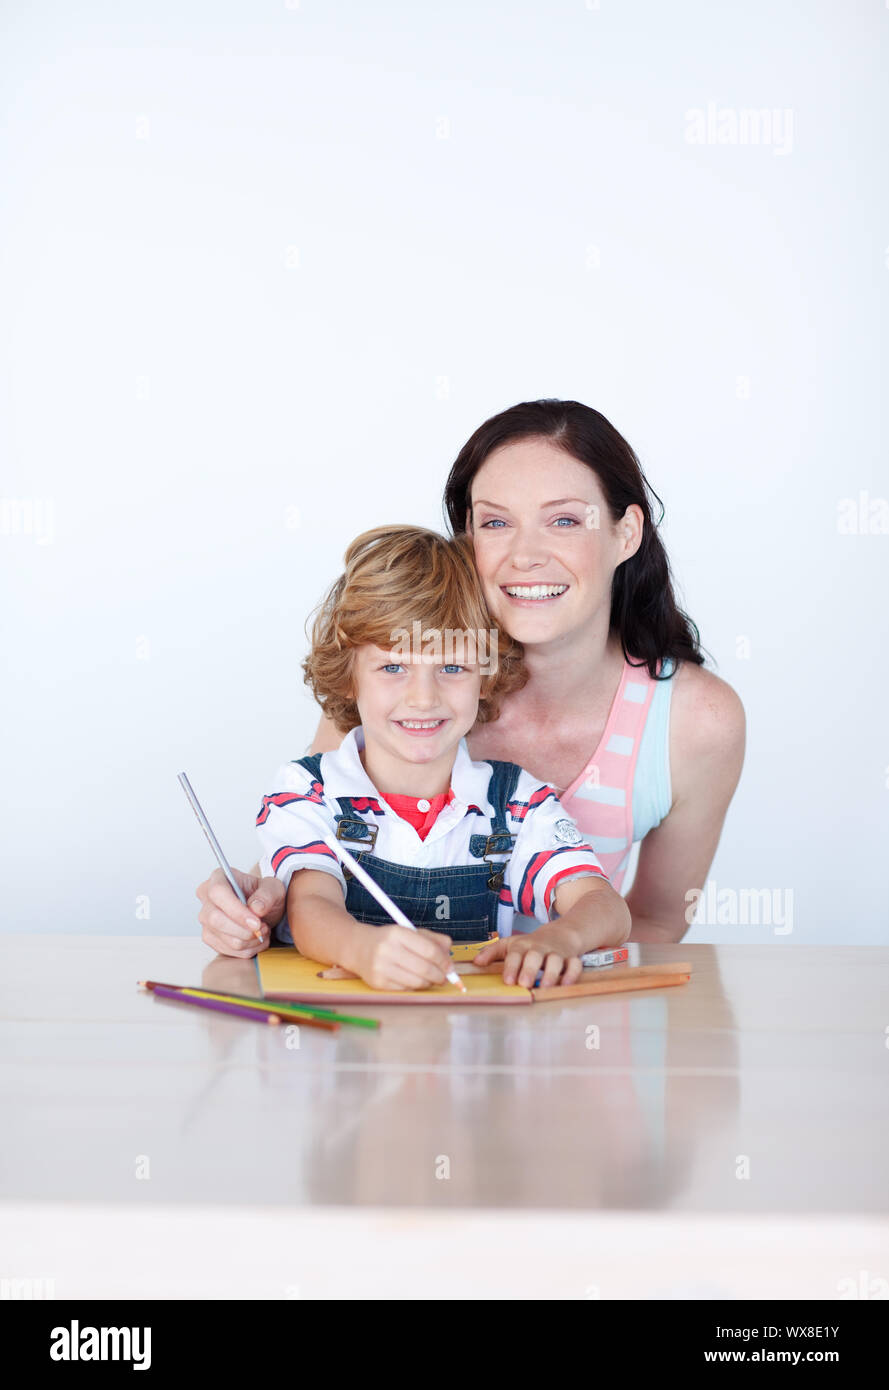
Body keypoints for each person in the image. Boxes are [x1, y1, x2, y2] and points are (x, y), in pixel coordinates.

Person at [198, 399, 744, 956]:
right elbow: (303, 878)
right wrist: (249, 910)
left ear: (626, 533)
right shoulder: (394, 698)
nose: (526, 555)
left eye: (563, 520)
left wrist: (544, 989)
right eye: (496, 522)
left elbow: (653, 922)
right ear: (468, 538)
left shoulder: (697, 723)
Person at [254, 524, 629, 991]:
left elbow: (605, 905)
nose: (423, 698)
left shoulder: (515, 804)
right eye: (393, 667)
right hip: (344, 1046)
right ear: (350, 676)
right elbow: (309, 907)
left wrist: (562, 937)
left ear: (485, 677)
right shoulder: (308, 792)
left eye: (452, 668)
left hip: (476, 1049)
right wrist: (360, 949)